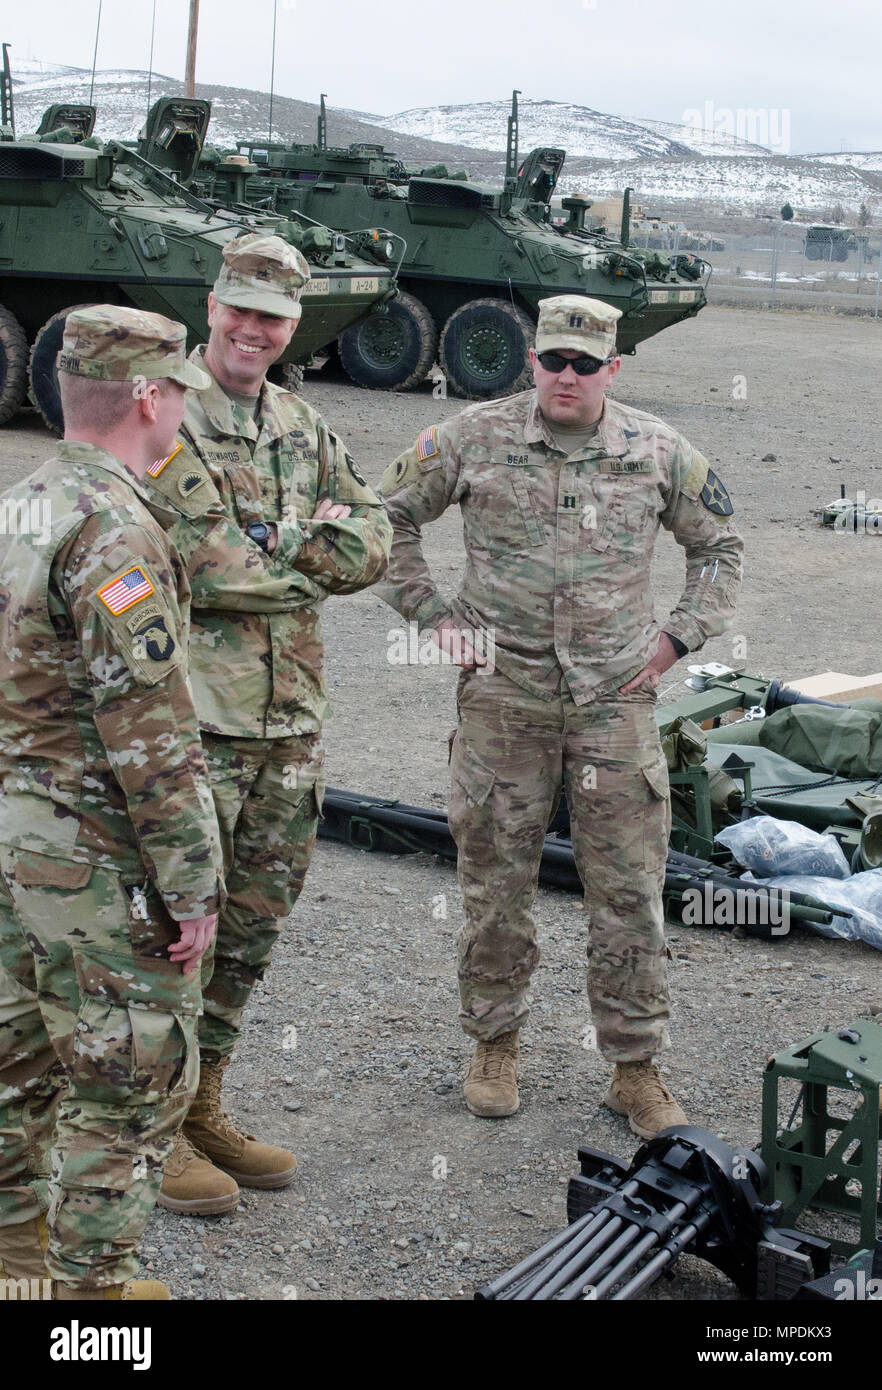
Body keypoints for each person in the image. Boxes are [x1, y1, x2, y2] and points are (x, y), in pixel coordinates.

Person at [376, 294, 744, 1137]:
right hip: (505, 700)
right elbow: (384, 515)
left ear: (612, 368)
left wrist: (676, 638)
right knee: (496, 886)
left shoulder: (658, 450)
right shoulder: (472, 437)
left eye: (586, 364)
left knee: (628, 893)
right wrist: (433, 616)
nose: (567, 376)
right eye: (554, 360)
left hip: (616, 702)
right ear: (533, 361)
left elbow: (720, 547)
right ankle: (494, 1045)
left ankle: (635, 1069)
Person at [148, 233, 392, 1214]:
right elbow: (204, 571)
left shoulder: (301, 422)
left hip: (291, 725)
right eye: (241, 309)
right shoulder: (161, 413)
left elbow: (373, 538)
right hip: (188, 726)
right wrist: (301, 552)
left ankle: (203, 1101)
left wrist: (274, 549)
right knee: (171, 928)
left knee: (249, 928)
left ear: (296, 325)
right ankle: (148, 1128)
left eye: (275, 316)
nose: (254, 329)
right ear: (213, 306)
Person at [0, 306, 224, 1299]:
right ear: (148, 394)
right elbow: (153, 738)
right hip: (94, 866)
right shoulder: (117, 528)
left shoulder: (25, 502)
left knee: (14, 1071)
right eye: (179, 386)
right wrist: (195, 885)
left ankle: (17, 1268)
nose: (183, 405)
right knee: (123, 1101)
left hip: (14, 848)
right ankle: (87, 1313)